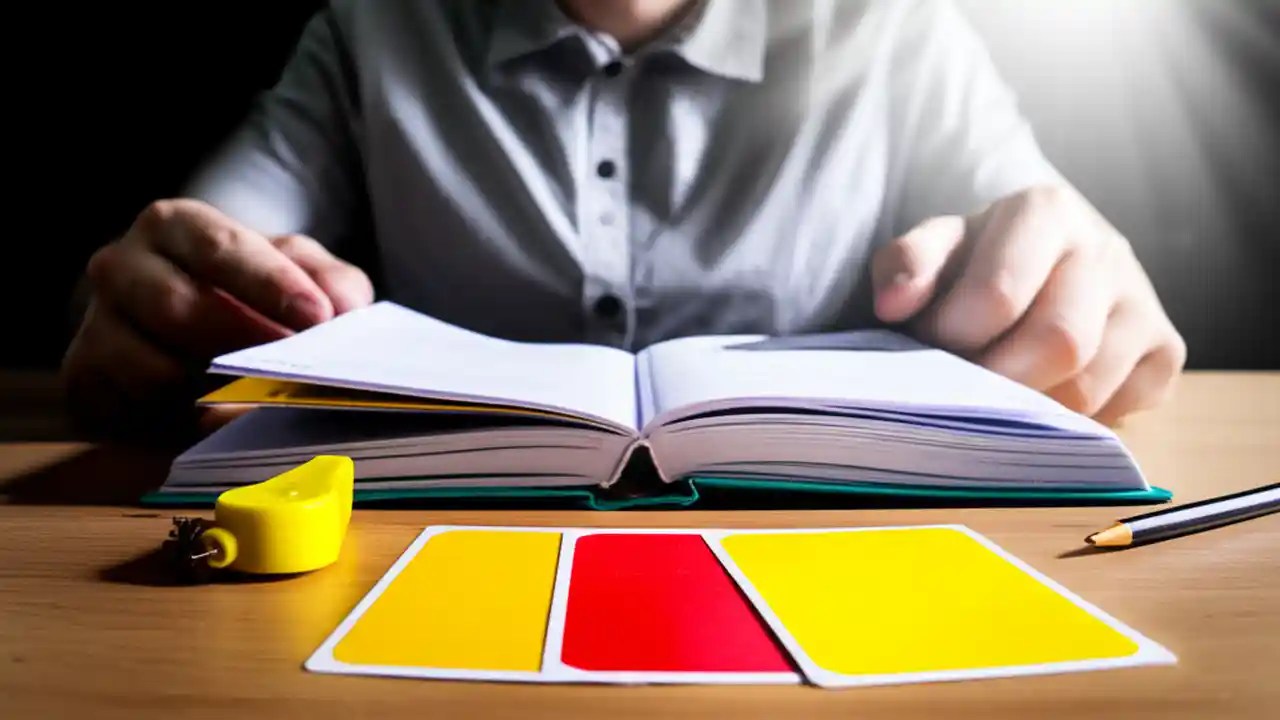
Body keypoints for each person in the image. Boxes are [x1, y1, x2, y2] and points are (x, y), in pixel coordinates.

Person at [62, 0, 1185, 441]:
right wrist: (146, 306)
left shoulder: (890, 30)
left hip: (824, 549)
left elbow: (1042, 237)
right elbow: (189, 253)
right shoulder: (376, 26)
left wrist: (1074, 284)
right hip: (419, 554)